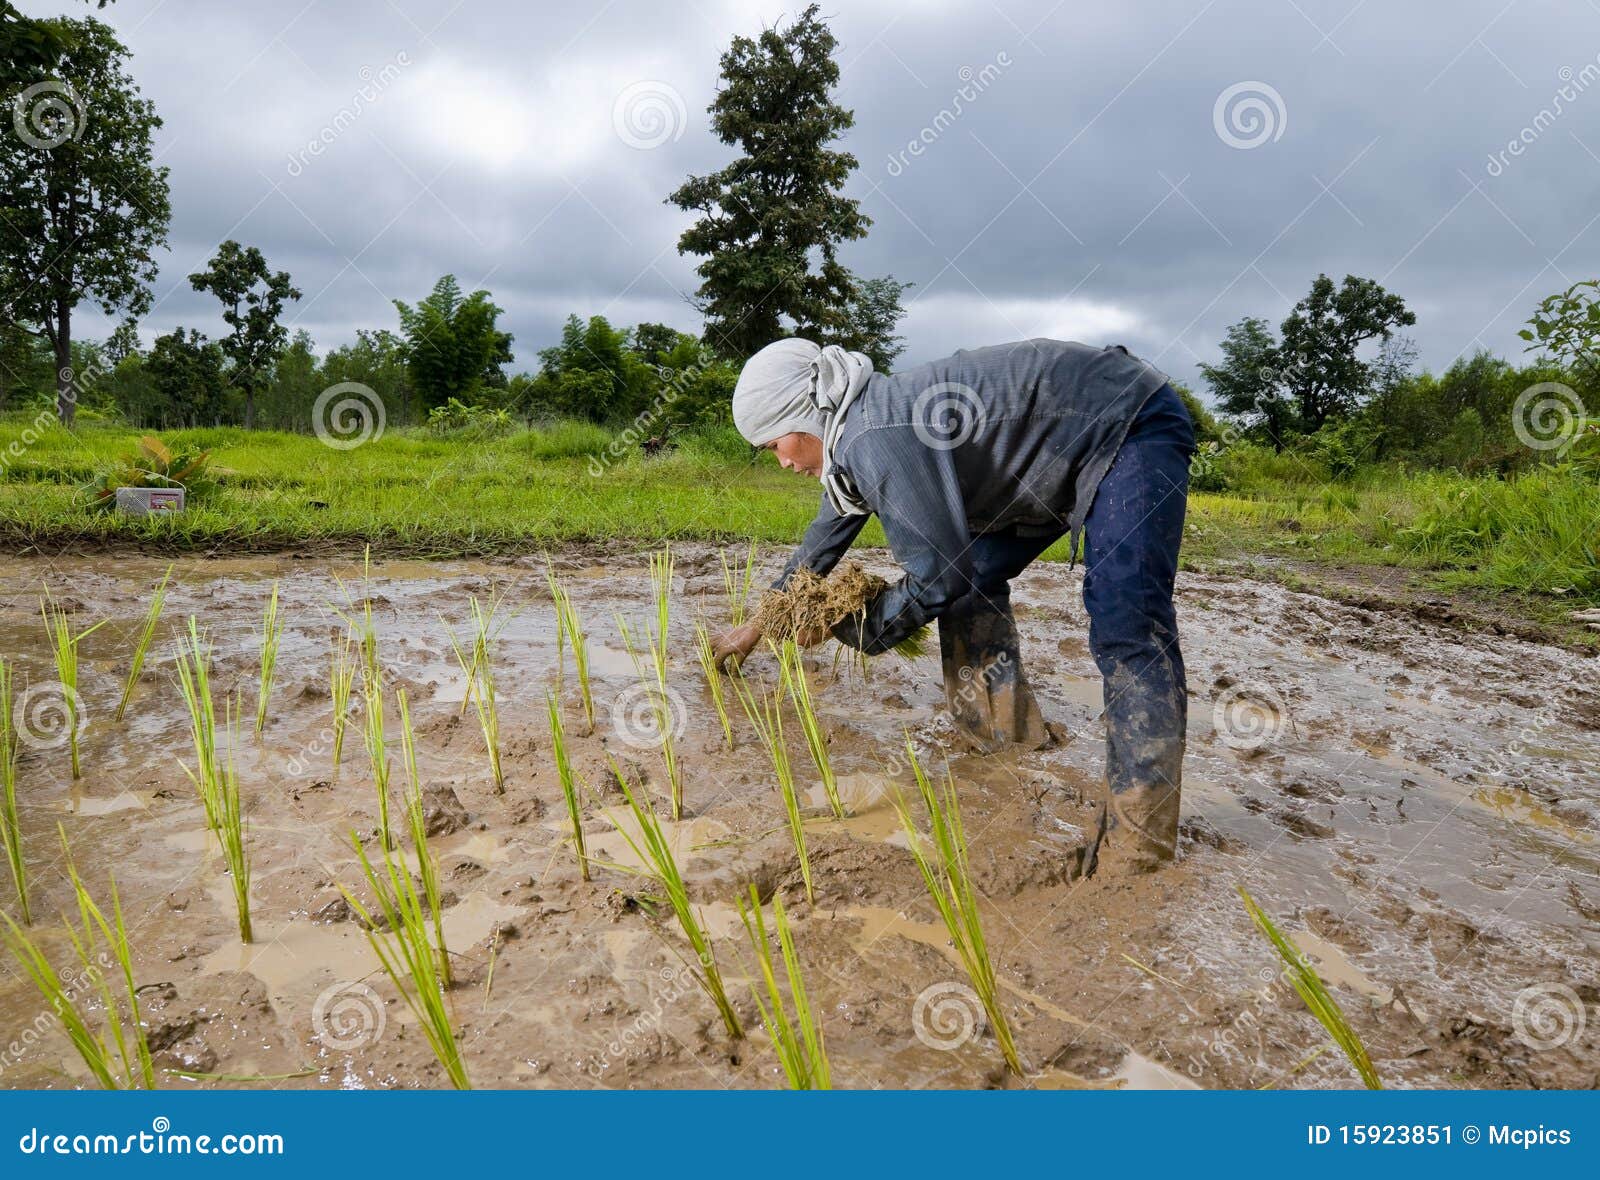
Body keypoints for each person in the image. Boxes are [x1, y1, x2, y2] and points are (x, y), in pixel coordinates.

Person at [711, 337, 1196, 872]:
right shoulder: (858, 431)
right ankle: (1002, 739)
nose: (780, 462)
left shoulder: (874, 435)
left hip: (1125, 421)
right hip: (1049, 452)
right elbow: (821, 544)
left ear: (805, 418)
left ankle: (1140, 847)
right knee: (980, 574)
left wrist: (864, 628)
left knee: (1128, 623)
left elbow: (940, 574)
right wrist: (757, 626)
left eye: (773, 445)